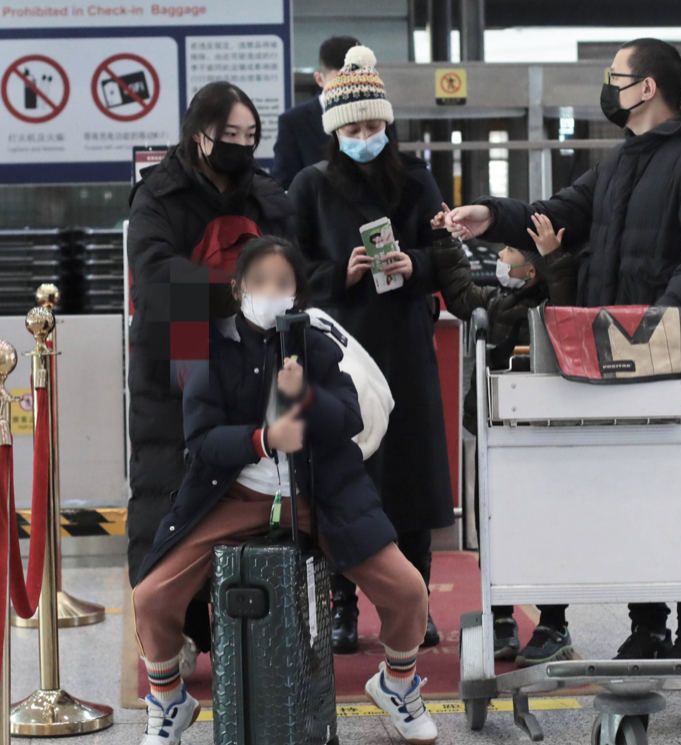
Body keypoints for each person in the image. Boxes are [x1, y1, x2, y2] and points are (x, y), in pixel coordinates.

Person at [442, 38, 681, 661]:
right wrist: (490, 217)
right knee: (630, 493)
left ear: (647, 87)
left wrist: (654, 328)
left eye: (616, 76)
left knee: (679, 490)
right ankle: (648, 623)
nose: (608, 87)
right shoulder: (617, 163)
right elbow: (554, 215)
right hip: (610, 360)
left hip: (667, 360)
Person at [131, 236, 438, 745]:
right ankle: (168, 701)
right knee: (150, 595)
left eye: (282, 283)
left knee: (407, 589)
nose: (270, 293)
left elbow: (350, 418)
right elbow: (200, 441)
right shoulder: (208, 343)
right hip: (232, 498)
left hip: (320, 493)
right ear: (237, 288)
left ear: (298, 293)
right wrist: (262, 439)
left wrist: (306, 396)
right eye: (259, 282)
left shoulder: (314, 341)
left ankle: (397, 684)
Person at [288, 45, 455, 655]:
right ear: (335, 132)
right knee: (345, 476)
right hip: (342, 349)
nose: (365, 139)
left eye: (374, 127)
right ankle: (343, 607)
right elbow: (291, 267)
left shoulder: (416, 179)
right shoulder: (309, 186)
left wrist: (417, 265)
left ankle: (418, 604)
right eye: (353, 130)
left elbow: (448, 253)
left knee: (411, 479)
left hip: (405, 343)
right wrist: (340, 273)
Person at [126, 82, 294, 674]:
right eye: (230, 136)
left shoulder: (268, 196)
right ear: (199, 135)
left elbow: (293, 265)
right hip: (173, 362)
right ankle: (169, 631)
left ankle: (245, 621)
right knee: (168, 491)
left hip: (253, 362)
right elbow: (154, 280)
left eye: (251, 136)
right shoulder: (158, 195)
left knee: (246, 495)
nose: (241, 147)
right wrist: (239, 292)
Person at [430, 206, 580, 666]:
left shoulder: (553, 302)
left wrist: (555, 258)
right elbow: (460, 293)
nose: (500, 257)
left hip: (542, 436)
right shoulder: (498, 303)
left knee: (547, 526)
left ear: (531, 269)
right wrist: (445, 242)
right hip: (495, 431)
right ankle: (499, 616)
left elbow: (568, 305)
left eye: (509, 250)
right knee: (492, 523)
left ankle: (553, 621)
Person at [272, 35, 359, 188]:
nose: (347, 93)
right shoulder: (294, 122)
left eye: (354, 84)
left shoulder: (379, 116)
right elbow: (283, 183)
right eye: (338, 86)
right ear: (319, 79)